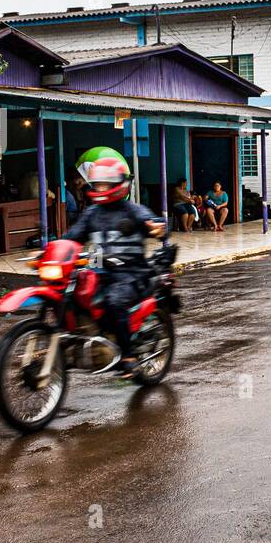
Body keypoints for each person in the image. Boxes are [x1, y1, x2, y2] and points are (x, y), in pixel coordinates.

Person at [62, 149, 165, 376]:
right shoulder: (91, 213)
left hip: (132, 273)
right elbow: (72, 236)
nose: (100, 189)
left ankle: (128, 356)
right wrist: (54, 252)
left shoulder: (133, 210)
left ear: (118, 184)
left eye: (105, 185)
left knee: (113, 300)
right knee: (71, 295)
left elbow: (155, 224)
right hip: (99, 272)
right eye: (97, 184)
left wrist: (156, 228)